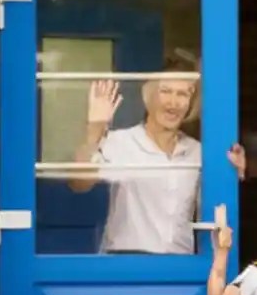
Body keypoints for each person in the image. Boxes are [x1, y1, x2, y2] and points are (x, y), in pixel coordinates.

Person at [70, 65, 245, 254]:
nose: (174, 102)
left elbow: (216, 208)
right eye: (166, 91)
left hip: (181, 264)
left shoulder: (196, 151)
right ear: (148, 98)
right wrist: (94, 131)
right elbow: (79, 183)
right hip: (125, 261)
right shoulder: (123, 141)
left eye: (183, 94)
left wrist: (234, 174)